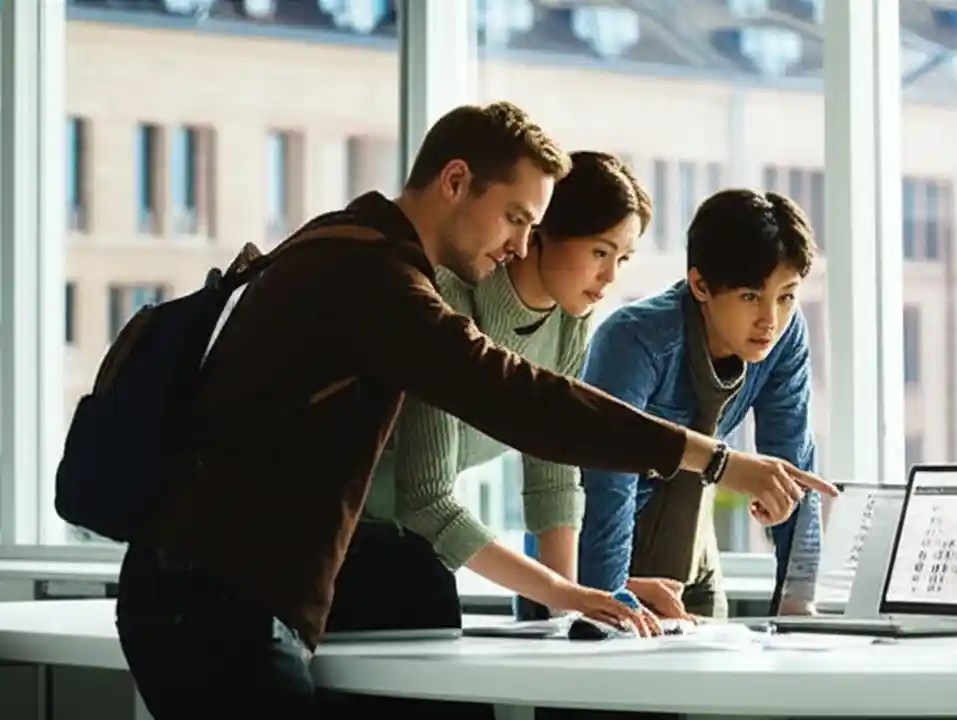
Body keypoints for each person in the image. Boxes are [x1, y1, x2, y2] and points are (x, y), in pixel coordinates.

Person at [111, 101, 836, 719]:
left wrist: (574, 598)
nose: (522, 243)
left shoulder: (353, 249)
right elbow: (518, 398)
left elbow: (545, 450)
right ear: (456, 181)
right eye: (516, 217)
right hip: (216, 596)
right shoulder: (383, 282)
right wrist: (711, 458)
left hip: (238, 586)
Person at [325, 151, 665, 647]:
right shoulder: (448, 297)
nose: (611, 277)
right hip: (342, 540)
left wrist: (570, 613)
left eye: (624, 258)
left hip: (406, 547)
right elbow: (427, 501)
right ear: (543, 232)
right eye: (600, 251)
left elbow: (555, 474)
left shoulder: (571, 323)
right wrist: (562, 590)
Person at [577, 189, 824, 621]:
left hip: (695, 554)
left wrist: (799, 603)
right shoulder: (635, 341)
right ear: (700, 285)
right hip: (601, 558)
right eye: (751, 296)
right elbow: (608, 486)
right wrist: (610, 600)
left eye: (786, 296)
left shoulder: (785, 337)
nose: (770, 319)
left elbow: (793, 462)